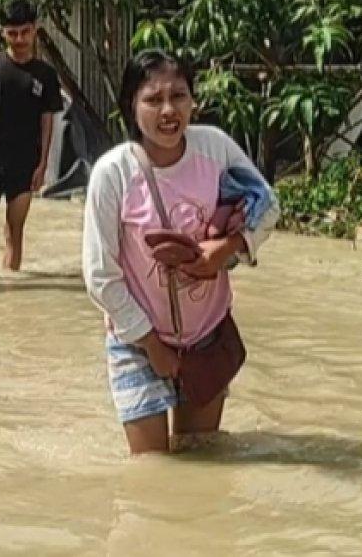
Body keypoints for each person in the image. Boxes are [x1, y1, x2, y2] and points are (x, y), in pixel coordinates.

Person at [81, 49, 280, 455]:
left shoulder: (216, 149)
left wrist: (227, 248)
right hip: (137, 342)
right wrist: (152, 345)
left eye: (179, 96)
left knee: (200, 459)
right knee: (153, 470)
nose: (168, 110)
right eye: (153, 100)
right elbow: (101, 276)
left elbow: (268, 206)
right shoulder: (112, 173)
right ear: (130, 107)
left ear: (194, 101)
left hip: (208, 335)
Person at [0, 0, 63, 277]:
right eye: (12, 33)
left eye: (25, 32)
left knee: (14, 231)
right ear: (2, 32)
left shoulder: (45, 75)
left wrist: (43, 165)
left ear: (35, 30)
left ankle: (9, 294)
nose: (19, 39)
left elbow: (47, 122)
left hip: (25, 163)